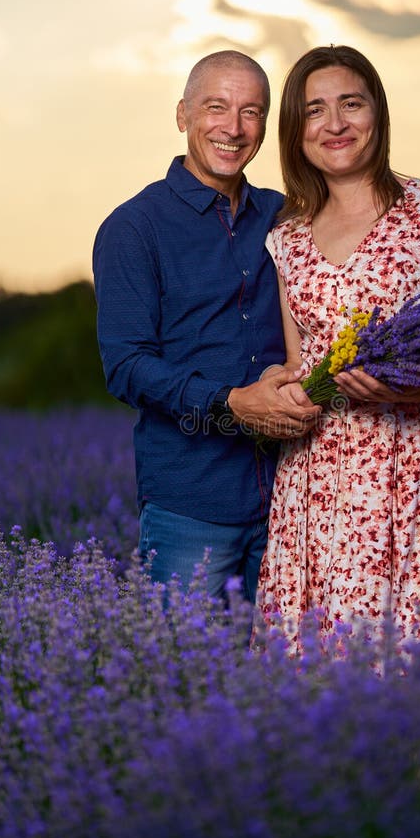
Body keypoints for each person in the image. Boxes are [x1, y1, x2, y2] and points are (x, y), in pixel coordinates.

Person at [253, 45, 420, 657]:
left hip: (417, 468)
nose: (334, 124)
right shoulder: (286, 240)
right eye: (314, 110)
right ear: (295, 130)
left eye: (351, 103)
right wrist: (281, 388)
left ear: (378, 113)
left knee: (416, 656)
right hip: (316, 478)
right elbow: (300, 361)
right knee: (313, 661)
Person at [93, 50, 320, 605]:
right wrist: (231, 403)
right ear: (182, 114)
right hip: (190, 505)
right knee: (182, 657)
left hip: (293, 497)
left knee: (289, 659)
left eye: (251, 112)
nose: (234, 128)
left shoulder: (285, 217)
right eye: (216, 107)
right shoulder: (133, 228)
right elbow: (126, 366)